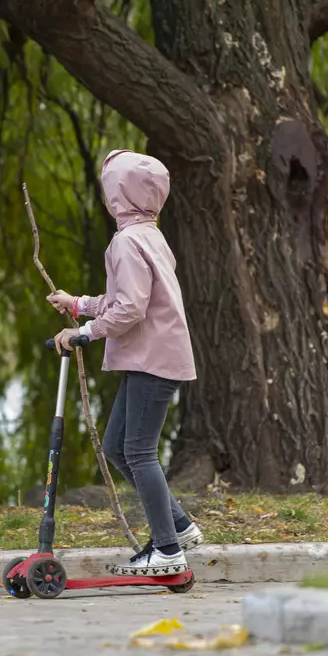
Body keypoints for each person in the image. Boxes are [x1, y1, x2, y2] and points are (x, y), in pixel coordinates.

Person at [47, 149, 200, 577]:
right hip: (152, 356)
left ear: (119, 193)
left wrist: (85, 333)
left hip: (154, 359)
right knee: (118, 446)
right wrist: (78, 304)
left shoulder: (127, 242)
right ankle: (181, 526)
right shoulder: (149, 236)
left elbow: (130, 308)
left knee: (138, 450)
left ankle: (168, 549)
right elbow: (123, 301)